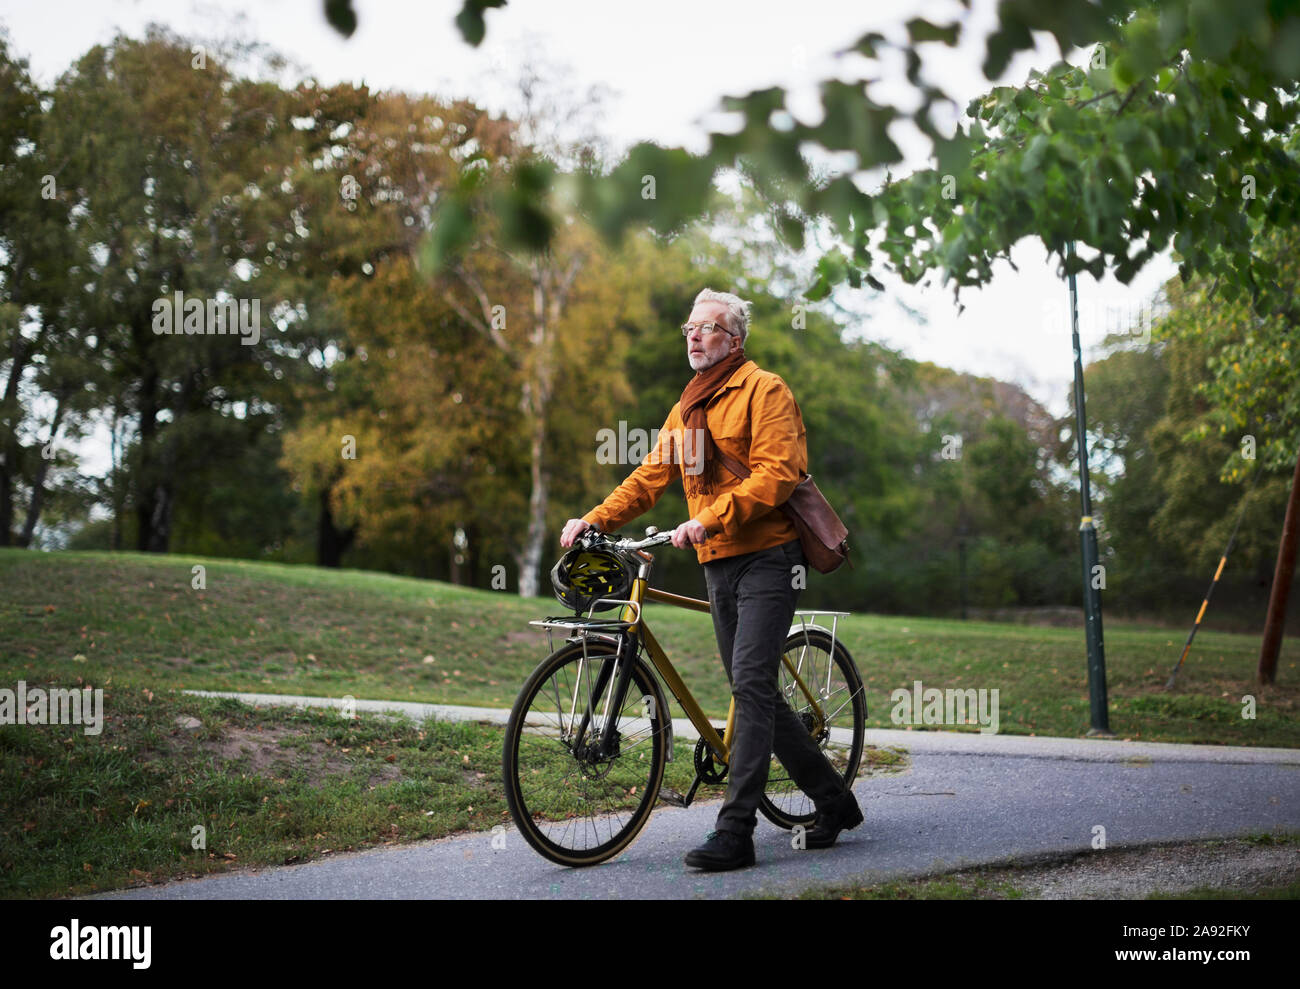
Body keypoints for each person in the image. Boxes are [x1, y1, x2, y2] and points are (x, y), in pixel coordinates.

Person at [559, 288, 862, 871]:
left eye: (709, 328)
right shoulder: (686, 407)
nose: (695, 336)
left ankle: (735, 831)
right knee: (757, 695)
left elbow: (779, 474)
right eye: (690, 328)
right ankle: (834, 801)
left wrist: (708, 516)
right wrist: (592, 519)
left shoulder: (765, 390)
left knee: (749, 686)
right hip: (716, 563)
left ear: (735, 340)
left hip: (770, 557)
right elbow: (649, 478)